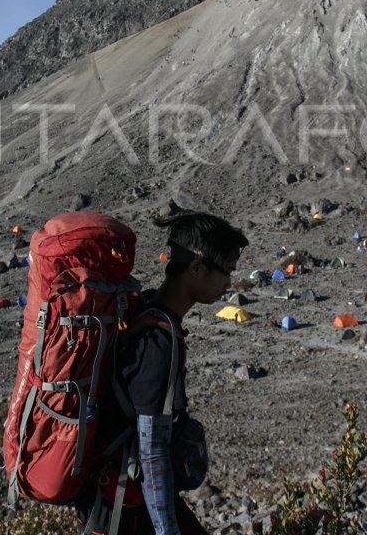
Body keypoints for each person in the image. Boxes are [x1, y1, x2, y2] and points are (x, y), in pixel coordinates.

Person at [81, 209, 248, 535]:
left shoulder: (144, 312)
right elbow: (153, 451)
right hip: (125, 508)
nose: (229, 283)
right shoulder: (160, 338)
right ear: (197, 268)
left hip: (114, 497)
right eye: (227, 271)